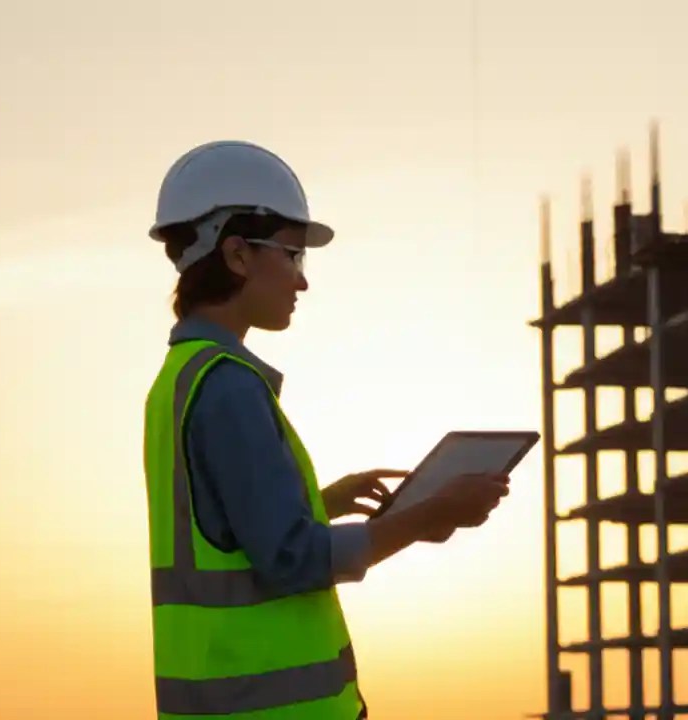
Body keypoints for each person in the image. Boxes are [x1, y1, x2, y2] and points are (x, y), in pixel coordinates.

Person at [141, 140, 510, 719]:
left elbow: (228, 537)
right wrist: (427, 517)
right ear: (237, 255)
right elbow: (291, 559)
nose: (301, 281)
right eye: (292, 256)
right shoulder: (229, 386)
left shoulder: (181, 379)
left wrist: (320, 502)